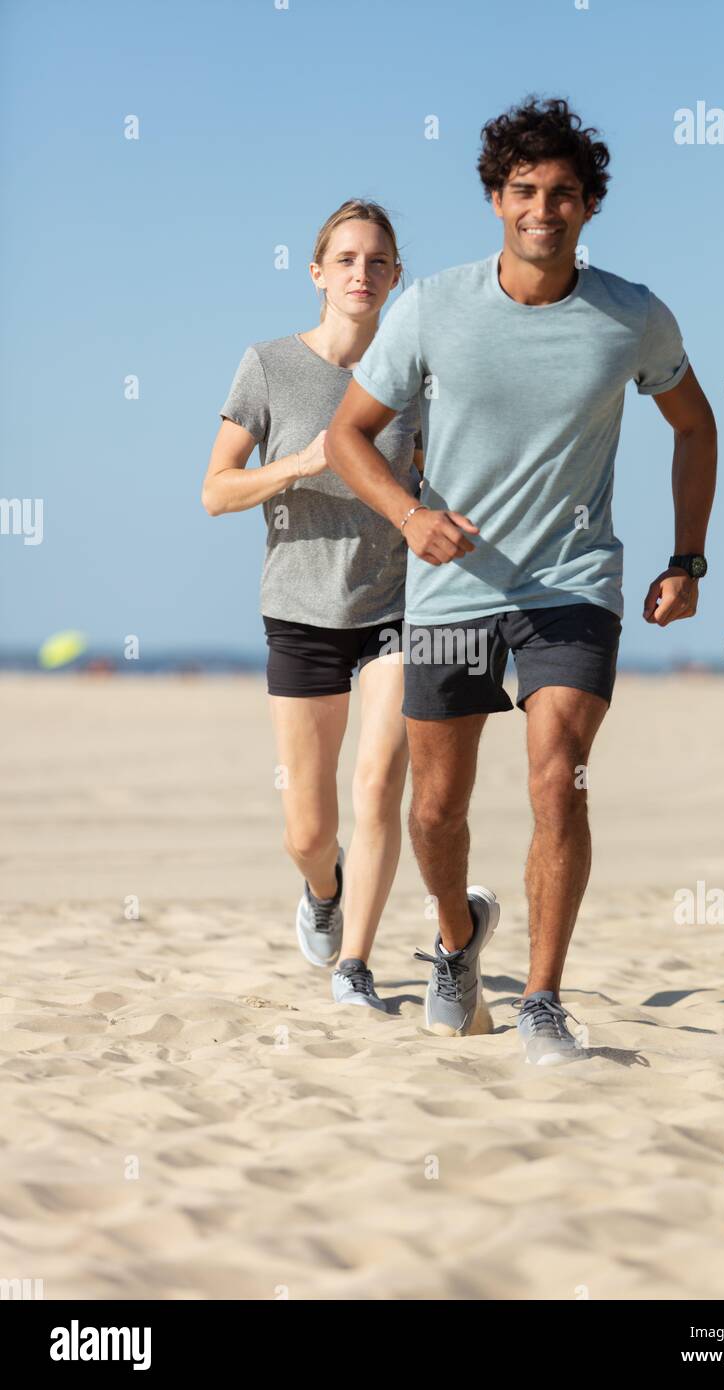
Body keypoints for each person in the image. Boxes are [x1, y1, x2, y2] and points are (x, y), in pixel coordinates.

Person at [324, 96, 718, 1063]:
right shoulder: (431, 308)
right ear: (496, 199)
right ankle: (459, 943)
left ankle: (543, 997)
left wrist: (687, 556)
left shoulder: (631, 315)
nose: (545, 209)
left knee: (559, 780)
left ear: (590, 208)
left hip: (573, 583)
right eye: (525, 191)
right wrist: (410, 516)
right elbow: (346, 436)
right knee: (434, 809)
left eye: (565, 195)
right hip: (456, 593)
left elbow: (697, 426)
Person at [202, 200, 423, 1010]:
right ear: (318, 274)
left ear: (397, 277)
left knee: (378, 787)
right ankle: (322, 892)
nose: (362, 274)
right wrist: (299, 462)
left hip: (397, 608)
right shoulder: (267, 365)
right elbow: (215, 490)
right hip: (299, 613)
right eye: (347, 260)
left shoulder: (417, 376)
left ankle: (355, 968)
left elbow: (438, 482)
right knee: (308, 830)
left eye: (379, 262)